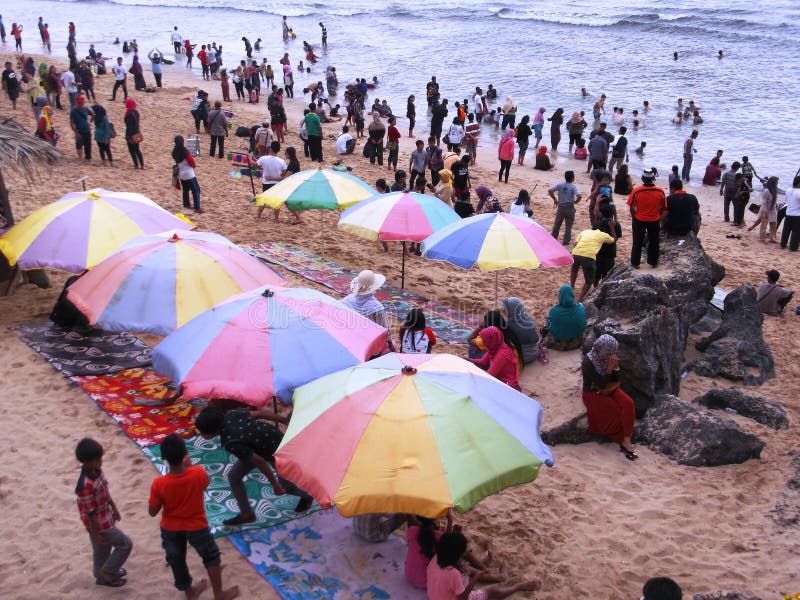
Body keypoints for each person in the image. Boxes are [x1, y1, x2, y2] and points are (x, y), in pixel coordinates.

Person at [148, 435, 239, 600]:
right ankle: (218, 594)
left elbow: (152, 512)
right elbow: (204, 485)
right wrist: (189, 467)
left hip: (171, 528)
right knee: (211, 556)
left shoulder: (159, 484)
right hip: (197, 526)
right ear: (185, 454)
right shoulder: (198, 473)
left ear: (164, 458)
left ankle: (190, 593)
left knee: (177, 560)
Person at [195, 406, 312, 525]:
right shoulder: (232, 414)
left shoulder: (230, 442)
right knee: (234, 476)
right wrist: (284, 420)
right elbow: (261, 413)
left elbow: (260, 462)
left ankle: (307, 497)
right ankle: (247, 514)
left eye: (202, 432)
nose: (201, 435)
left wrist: (275, 485)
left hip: (277, 449)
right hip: (256, 445)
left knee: (285, 486)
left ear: (209, 434)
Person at [74, 438, 132, 588]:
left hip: (106, 516)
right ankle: (108, 572)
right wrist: (96, 534)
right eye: (97, 460)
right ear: (87, 462)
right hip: (100, 525)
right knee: (125, 544)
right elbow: (90, 513)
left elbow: (105, 491)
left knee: (102, 551)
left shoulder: (97, 471)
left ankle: (101, 576)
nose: (101, 462)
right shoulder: (84, 486)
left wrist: (114, 507)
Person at [426, 531, 539, 600]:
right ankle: (517, 587)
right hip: (457, 597)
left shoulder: (436, 559)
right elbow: (463, 598)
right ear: (457, 555)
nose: (465, 554)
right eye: (463, 552)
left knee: (466, 569)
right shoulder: (453, 574)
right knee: (492, 592)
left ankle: (489, 570)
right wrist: (476, 577)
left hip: (437, 596)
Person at [582, 335, 637, 459]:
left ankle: (627, 438)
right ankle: (620, 439)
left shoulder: (608, 358)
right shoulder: (588, 362)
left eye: (612, 353)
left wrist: (615, 368)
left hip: (609, 388)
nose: (610, 356)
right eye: (608, 353)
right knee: (614, 410)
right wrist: (609, 369)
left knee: (628, 403)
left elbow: (615, 380)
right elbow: (600, 383)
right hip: (593, 391)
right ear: (601, 349)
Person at [342, 271, 395, 352]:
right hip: (367, 343)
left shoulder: (347, 300)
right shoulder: (376, 307)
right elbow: (385, 331)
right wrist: (391, 347)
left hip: (349, 337)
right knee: (391, 346)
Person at [628, 168, 666, 268]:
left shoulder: (637, 191)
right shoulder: (660, 191)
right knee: (654, 241)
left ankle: (635, 263)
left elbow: (631, 207)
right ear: (653, 179)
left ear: (642, 178)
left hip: (639, 219)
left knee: (637, 242)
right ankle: (653, 262)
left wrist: (634, 216)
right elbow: (663, 207)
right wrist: (658, 216)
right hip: (654, 219)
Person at [570, 228, 616, 302]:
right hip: (589, 257)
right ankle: (579, 300)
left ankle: (571, 288)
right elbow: (613, 240)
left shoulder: (585, 231)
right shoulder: (603, 235)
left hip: (575, 254)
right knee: (589, 281)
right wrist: (612, 227)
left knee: (574, 271)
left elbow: (575, 244)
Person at [543, 285, 586, 351]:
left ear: (560, 297)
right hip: (578, 342)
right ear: (572, 295)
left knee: (547, 325)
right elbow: (584, 324)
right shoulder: (581, 307)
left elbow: (549, 327)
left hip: (559, 345)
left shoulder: (553, 311)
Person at [549, 170, 582, 245]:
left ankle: (553, 238)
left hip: (561, 207)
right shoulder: (573, 187)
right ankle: (566, 242)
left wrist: (555, 199)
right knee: (568, 227)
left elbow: (550, 191)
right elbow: (579, 196)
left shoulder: (560, 184)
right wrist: (576, 202)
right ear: (573, 178)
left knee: (557, 224)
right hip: (570, 207)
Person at [501, 297, 539, 364]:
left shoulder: (508, 324)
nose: (504, 311)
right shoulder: (529, 319)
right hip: (534, 352)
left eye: (506, 309)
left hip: (520, 357)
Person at [172, 135, 202, 213]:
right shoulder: (185, 151)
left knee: (185, 190)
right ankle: (197, 207)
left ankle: (186, 204)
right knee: (196, 190)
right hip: (189, 174)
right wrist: (194, 166)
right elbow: (191, 162)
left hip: (181, 174)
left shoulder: (174, 152)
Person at [748, 176, 780, 243]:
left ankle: (771, 238)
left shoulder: (775, 190)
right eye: (777, 182)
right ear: (773, 182)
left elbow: (782, 192)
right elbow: (764, 202)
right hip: (765, 209)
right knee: (764, 225)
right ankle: (762, 238)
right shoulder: (766, 191)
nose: (778, 183)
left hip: (773, 209)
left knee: (774, 224)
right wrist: (765, 212)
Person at [69, 96, 93, 160]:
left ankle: (87, 158)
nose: (80, 105)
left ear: (83, 103)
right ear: (77, 103)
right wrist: (75, 132)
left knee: (88, 145)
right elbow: (71, 122)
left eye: (81, 103)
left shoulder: (86, 109)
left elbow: (92, 114)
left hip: (87, 130)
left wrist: (90, 122)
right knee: (79, 145)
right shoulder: (73, 111)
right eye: (79, 103)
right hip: (79, 131)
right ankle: (80, 158)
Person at [780, 176, 800, 251]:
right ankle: (793, 247)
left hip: (788, 213)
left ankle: (783, 244)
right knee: (796, 231)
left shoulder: (788, 190)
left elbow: (787, 200)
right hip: (797, 215)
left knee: (786, 230)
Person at [124, 97, 144, 169]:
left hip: (130, 133)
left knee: (132, 151)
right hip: (136, 132)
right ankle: (142, 165)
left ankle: (136, 165)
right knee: (137, 150)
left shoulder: (128, 114)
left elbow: (129, 126)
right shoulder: (136, 112)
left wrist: (128, 136)